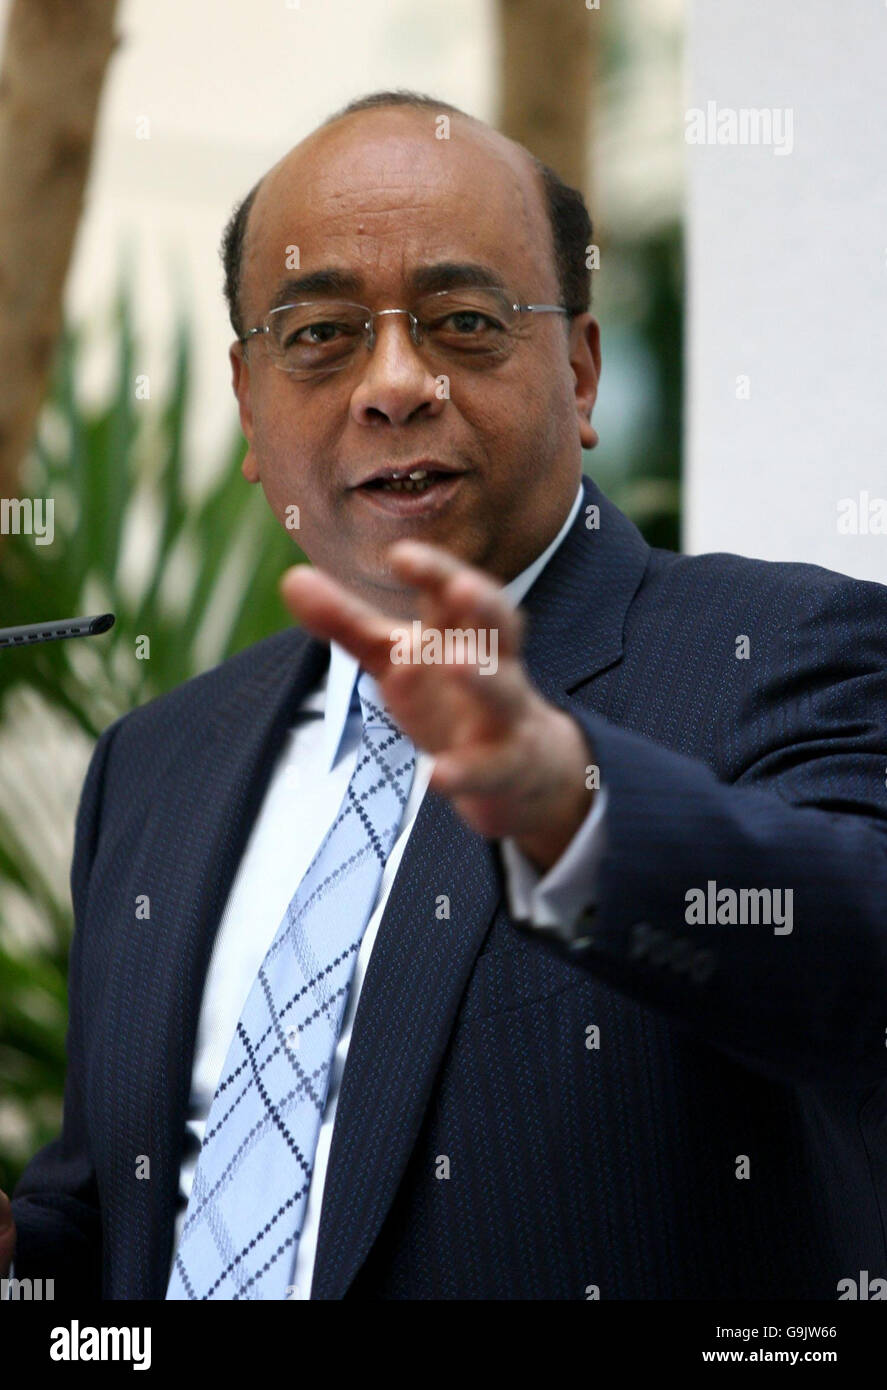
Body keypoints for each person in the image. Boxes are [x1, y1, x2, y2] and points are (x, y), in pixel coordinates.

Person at [3, 89, 886, 1301]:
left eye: (463, 321)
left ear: (578, 371)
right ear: (249, 404)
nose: (394, 382)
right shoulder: (154, 761)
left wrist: (573, 813)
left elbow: (855, 971)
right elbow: (116, 1219)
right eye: (320, 335)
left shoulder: (781, 649)